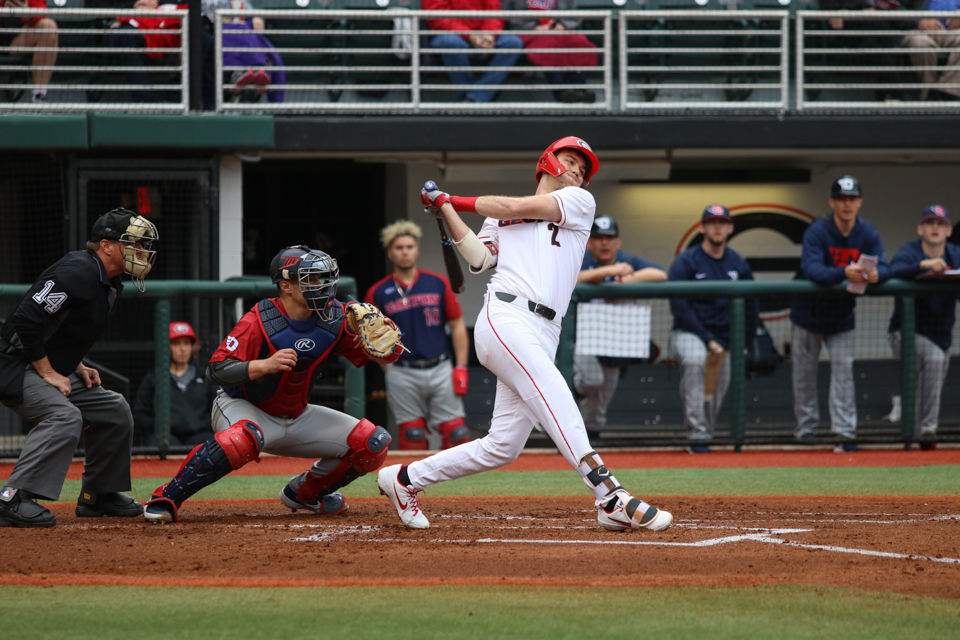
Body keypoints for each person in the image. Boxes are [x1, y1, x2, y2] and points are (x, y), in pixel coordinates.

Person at [378, 136, 673, 532]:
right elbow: (480, 259)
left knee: (502, 446)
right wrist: (446, 209)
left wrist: (452, 198)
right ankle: (609, 495)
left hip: (547, 329)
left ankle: (403, 480)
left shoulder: (578, 202)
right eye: (570, 162)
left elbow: (517, 206)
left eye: (582, 170)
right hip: (506, 316)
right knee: (553, 389)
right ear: (548, 161)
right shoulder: (496, 218)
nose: (576, 172)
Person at [142, 245, 401, 523]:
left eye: (322, 278)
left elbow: (386, 356)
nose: (321, 286)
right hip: (243, 407)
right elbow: (216, 370)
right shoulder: (260, 318)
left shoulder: (336, 317)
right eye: (310, 279)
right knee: (240, 439)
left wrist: (388, 338)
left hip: (296, 414)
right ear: (286, 285)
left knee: (373, 443)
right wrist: (264, 365)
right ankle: (167, 496)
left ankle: (304, 493)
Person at [0, 208, 158, 528]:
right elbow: (27, 321)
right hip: (13, 364)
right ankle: (12, 498)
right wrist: (47, 371)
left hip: (38, 362)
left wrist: (77, 365)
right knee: (64, 416)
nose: (141, 252)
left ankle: (98, 494)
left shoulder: (110, 282)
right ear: (107, 245)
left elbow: (63, 329)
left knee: (113, 410)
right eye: (134, 244)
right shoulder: (78, 270)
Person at [789, 175, 889, 452]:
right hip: (807, 315)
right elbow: (812, 270)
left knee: (843, 374)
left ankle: (844, 433)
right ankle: (805, 430)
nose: (847, 204)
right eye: (842, 199)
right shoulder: (818, 230)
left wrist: (878, 275)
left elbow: (887, 266)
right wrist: (843, 272)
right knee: (804, 375)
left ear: (860, 202)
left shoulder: (867, 233)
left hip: (842, 316)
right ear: (832, 201)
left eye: (852, 199)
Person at [365, 220, 471, 450]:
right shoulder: (378, 291)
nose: (405, 252)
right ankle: (412, 484)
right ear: (390, 252)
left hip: (440, 366)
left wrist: (460, 367)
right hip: (402, 371)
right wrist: (389, 367)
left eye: (409, 247)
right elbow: (369, 339)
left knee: (456, 433)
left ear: (417, 249)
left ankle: (458, 485)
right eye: (399, 248)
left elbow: (457, 325)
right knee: (412, 435)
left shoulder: (437, 283)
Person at [667, 205, 759, 453]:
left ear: (730, 228)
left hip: (727, 337)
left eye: (722, 223)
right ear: (702, 228)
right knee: (696, 360)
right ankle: (697, 434)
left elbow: (751, 306)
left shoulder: (737, 262)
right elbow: (679, 307)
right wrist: (708, 340)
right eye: (712, 222)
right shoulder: (687, 260)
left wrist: (745, 342)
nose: (717, 227)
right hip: (690, 332)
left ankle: (705, 432)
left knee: (721, 383)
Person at [574, 214, 666, 438]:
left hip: (617, 338)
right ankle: (558, 397)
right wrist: (607, 272)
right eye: (598, 238)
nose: (604, 242)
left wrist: (624, 281)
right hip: (584, 338)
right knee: (591, 381)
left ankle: (588, 442)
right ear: (589, 242)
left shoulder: (628, 261)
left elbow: (660, 274)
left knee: (600, 403)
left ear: (618, 242)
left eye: (609, 237)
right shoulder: (582, 260)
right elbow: (572, 277)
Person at [886, 205, 960, 449]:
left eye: (940, 224)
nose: (935, 228)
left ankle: (915, 436)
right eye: (930, 223)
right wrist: (923, 266)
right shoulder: (910, 251)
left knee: (929, 384)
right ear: (920, 228)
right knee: (935, 361)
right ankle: (928, 429)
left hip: (941, 335)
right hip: (905, 333)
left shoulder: (955, 253)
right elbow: (890, 271)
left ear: (949, 230)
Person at [105, 0, 215, 109]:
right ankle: (145, 104)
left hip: (177, 17)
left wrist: (162, 4)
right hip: (137, 19)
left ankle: (197, 104)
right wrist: (135, 4)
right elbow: (102, 6)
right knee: (125, 36)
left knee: (206, 40)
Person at [132, 321, 217, 448]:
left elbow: (216, 410)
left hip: (199, 436)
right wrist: (159, 424)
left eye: (186, 343)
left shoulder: (205, 376)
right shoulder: (154, 378)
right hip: (165, 438)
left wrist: (200, 424)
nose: (182, 349)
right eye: (176, 344)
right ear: (166, 347)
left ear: (193, 347)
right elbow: (139, 415)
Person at [422, 0, 523, 103]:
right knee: (451, 42)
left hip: (482, 33)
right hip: (449, 34)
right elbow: (439, 17)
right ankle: (473, 96)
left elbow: (494, 11)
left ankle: (477, 96)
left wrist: (489, 33)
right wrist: (470, 35)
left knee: (513, 43)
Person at [502, 0, 598, 103]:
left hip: (560, 30)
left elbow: (573, 15)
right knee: (547, 47)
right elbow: (509, 14)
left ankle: (581, 88)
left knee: (578, 43)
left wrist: (562, 25)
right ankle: (561, 91)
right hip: (531, 33)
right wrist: (534, 27)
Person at [202, 0, 285, 104]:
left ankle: (257, 72)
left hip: (237, 31)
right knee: (234, 31)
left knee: (245, 31)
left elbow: (250, 13)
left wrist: (256, 18)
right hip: (212, 32)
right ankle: (238, 75)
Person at [900, 0, 960, 100]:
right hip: (918, 30)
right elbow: (893, 6)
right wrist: (919, 21)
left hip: (953, 30)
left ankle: (947, 95)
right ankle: (929, 95)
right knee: (920, 44)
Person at [0, 0, 57, 103]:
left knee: (49, 26)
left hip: (16, 38)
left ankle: (39, 96)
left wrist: (27, 13)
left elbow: (41, 11)